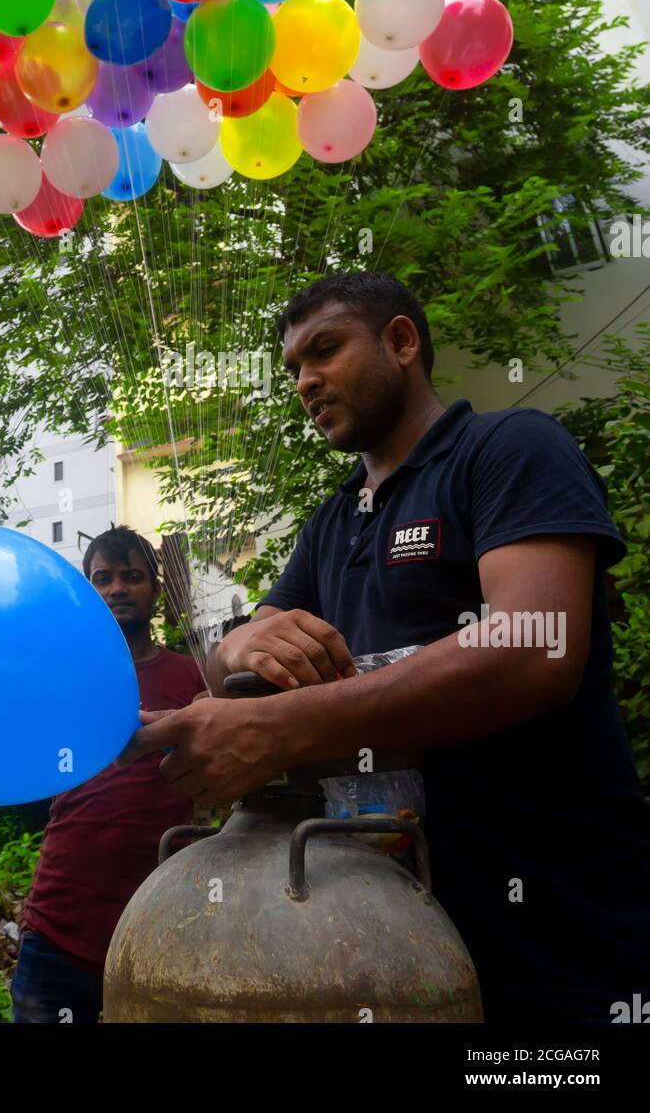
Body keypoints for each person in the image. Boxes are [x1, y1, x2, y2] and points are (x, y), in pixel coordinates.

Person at [124, 272, 650, 1024]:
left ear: (402, 341)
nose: (306, 381)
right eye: (294, 369)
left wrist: (277, 730)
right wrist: (242, 642)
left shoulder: (508, 449)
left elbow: (538, 649)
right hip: (384, 947)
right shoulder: (333, 523)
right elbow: (224, 666)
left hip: (560, 945)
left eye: (326, 351)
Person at [13, 525, 204, 1023]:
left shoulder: (194, 679)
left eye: (132, 576)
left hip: (163, 922)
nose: (117, 588)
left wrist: (167, 727)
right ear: (87, 593)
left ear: (156, 591)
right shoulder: (61, 676)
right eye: (102, 579)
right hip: (58, 922)